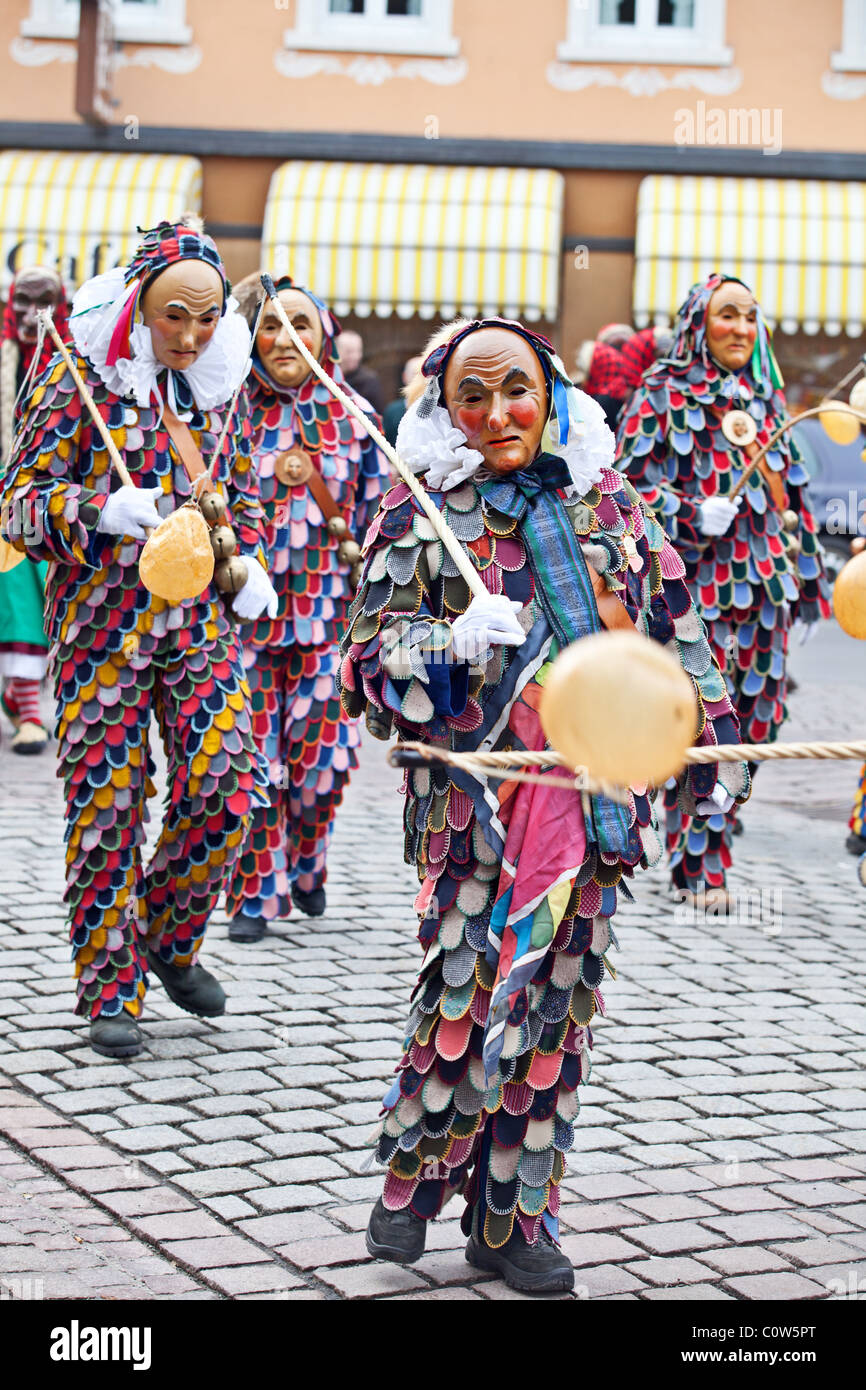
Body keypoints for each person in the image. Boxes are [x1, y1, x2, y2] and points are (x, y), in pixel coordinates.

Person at [338, 316, 747, 1293]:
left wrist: (703, 744)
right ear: (445, 406)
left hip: (592, 795)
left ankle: (513, 1219)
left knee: (553, 1019)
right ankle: (410, 1184)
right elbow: (366, 667)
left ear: (550, 391)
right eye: (468, 396)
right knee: (462, 991)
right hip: (474, 804)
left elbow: (671, 633)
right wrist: (449, 645)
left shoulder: (608, 505)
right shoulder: (421, 516)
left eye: (512, 389)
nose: (494, 414)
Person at [0, 219, 276, 1059]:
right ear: (138, 308)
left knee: (232, 788)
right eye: (172, 317)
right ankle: (109, 987)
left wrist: (251, 560)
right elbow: (19, 504)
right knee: (108, 810)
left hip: (200, 632)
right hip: (101, 636)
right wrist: (99, 512)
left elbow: (240, 499)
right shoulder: (76, 380)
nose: (189, 336)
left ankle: (169, 934)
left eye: (205, 317)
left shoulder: (217, 393)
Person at [616, 273, 830, 906]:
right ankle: (698, 865)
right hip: (694, 598)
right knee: (702, 724)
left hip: (765, 595)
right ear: (698, 324)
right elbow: (620, 488)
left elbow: (795, 502)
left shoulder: (767, 399)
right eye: (727, 314)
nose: (741, 327)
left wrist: (810, 586)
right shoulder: (661, 395)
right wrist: (687, 509)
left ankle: (702, 841)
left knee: (757, 725)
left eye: (750, 316)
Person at [224, 274, 389, 942]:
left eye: (299, 323)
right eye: (270, 324)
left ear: (324, 334)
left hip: (329, 624)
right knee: (255, 766)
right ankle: (255, 893)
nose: (284, 337)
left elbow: (386, 520)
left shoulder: (356, 416)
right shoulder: (227, 411)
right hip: (246, 628)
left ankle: (308, 858)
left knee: (321, 768)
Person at [0, 267, 69, 754]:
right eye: (22, 303)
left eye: (42, 302)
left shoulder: (77, 361)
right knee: (12, 590)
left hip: (55, 495)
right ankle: (25, 709)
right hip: (4, 491)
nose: (31, 314)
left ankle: (26, 701)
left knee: (43, 595)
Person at [334, 329, 386, 415]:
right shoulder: (327, 376)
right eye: (349, 351)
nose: (355, 356)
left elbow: (377, 415)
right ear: (336, 351)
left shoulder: (369, 380)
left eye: (358, 351)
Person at [382, 355, 423, 447]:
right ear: (404, 377)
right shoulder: (392, 411)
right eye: (414, 374)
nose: (418, 380)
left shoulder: (438, 409)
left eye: (422, 375)